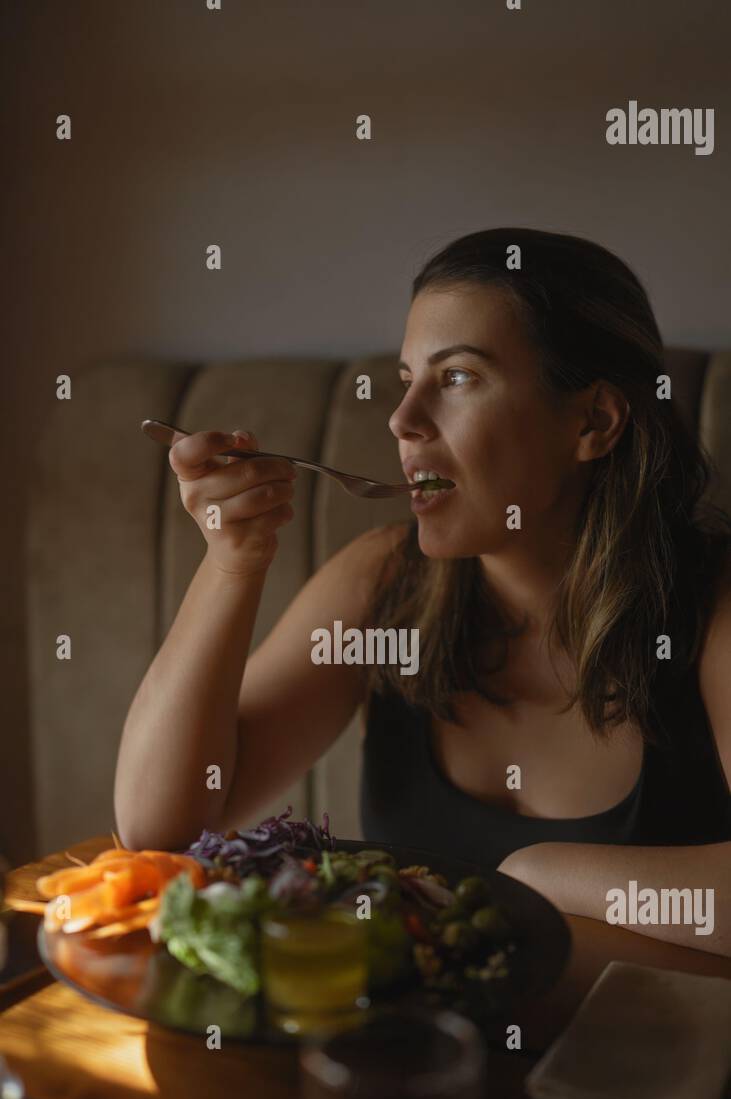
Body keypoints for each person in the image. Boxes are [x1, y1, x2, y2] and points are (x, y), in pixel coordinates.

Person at [114, 228, 731, 955]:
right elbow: (161, 831)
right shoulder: (381, 582)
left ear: (592, 421)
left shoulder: (712, 602)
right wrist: (231, 561)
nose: (402, 421)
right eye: (408, 379)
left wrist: (537, 878)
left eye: (458, 377)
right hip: (411, 1061)